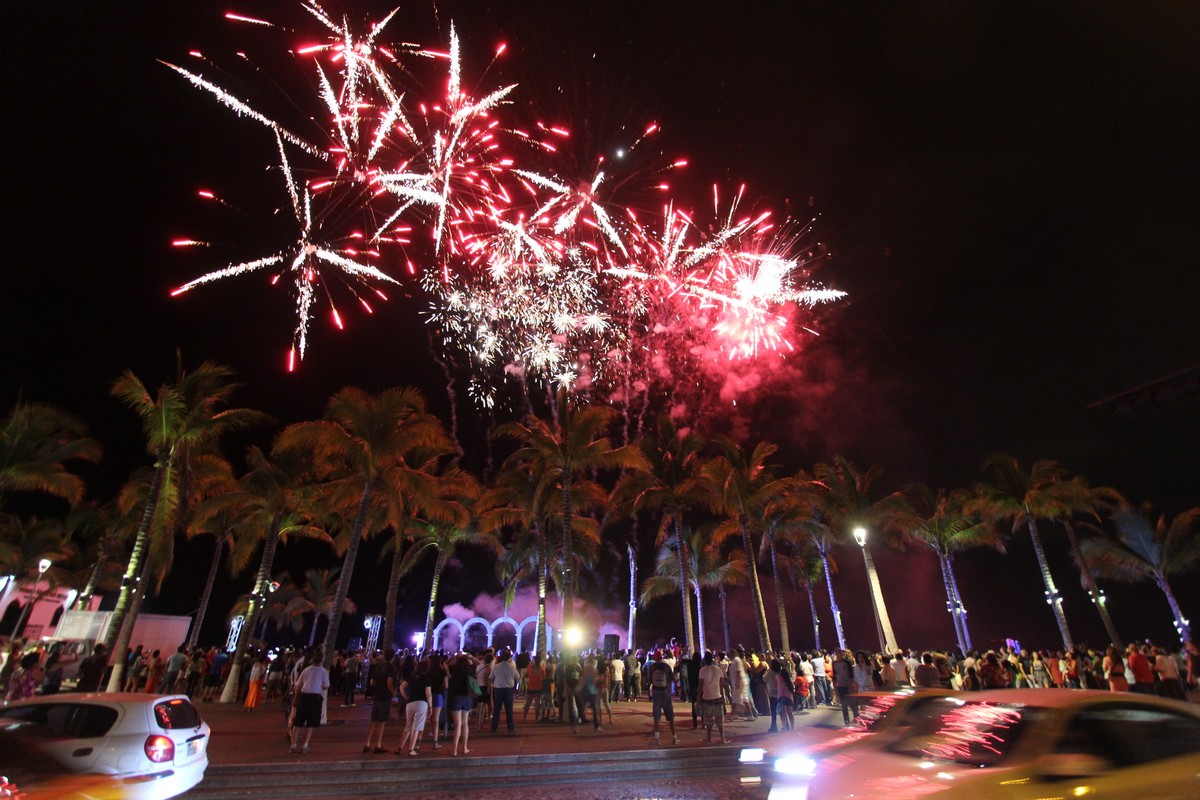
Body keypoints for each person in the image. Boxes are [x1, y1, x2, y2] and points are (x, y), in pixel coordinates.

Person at [289, 649, 329, 755]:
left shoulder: (306, 670)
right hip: (315, 698)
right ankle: (305, 745)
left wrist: (295, 698)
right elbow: (326, 686)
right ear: (321, 660)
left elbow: (298, 685)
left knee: (298, 723)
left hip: (303, 696)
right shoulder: (323, 671)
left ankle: (293, 745)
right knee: (310, 724)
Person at [363, 651, 396, 754]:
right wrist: (393, 692)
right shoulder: (392, 668)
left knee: (373, 721)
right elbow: (389, 682)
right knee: (382, 722)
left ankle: (367, 744)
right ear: (393, 657)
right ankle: (378, 745)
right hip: (385, 697)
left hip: (377, 696)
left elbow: (372, 682)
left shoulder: (378, 667)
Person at [398, 660, 432, 756]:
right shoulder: (426, 678)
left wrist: (406, 697)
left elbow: (401, 687)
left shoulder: (411, 677)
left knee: (408, 725)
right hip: (422, 703)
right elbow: (428, 694)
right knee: (416, 727)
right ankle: (411, 749)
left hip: (410, 703)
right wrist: (430, 706)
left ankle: (400, 747)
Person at [447, 651, 478, 756]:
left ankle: (454, 750)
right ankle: (464, 748)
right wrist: (471, 656)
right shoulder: (470, 671)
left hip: (456, 697)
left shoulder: (453, 670)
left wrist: (455, 656)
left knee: (457, 725)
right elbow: (479, 663)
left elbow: (445, 664)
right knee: (465, 724)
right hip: (467, 697)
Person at [647, 650, 678, 746]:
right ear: (661, 657)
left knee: (656, 716)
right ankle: (674, 738)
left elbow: (649, 680)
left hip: (656, 693)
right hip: (666, 693)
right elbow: (674, 678)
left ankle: (657, 739)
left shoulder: (651, 667)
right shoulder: (666, 666)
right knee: (670, 716)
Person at [698, 653, 729, 743]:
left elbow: (700, 686)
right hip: (717, 696)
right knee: (719, 719)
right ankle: (723, 738)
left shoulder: (702, 670)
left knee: (708, 720)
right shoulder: (718, 670)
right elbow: (722, 683)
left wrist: (698, 698)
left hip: (707, 697)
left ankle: (709, 737)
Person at [489, 649, 519, 733]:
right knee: (509, 709)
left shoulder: (496, 666)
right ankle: (510, 726)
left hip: (498, 689)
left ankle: (494, 727)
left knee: (496, 709)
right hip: (508, 690)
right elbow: (518, 678)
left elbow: (490, 678)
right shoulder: (512, 667)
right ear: (509, 658)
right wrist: (516, 690)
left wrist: (489, 687)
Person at [522, 654, 548, 723]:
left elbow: (525, 675)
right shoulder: (542, 669)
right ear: (540, 661)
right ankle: (536, 719)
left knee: (528, 703)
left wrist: (527, 681)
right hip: (539, 687)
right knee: (537, 704)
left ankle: (524, 718)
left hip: (531, 687)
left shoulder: (530, 667)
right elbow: (544, 678)